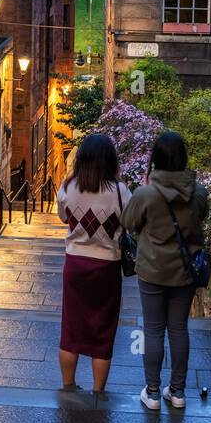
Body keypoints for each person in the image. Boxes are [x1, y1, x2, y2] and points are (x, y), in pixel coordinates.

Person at [122, 130, 208, 411]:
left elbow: (128, 221)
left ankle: (154, 392)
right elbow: (201, 217)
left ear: (155, 159)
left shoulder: (146, 194)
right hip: (185, 272)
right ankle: (179, 391)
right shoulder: (198, 194)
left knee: (154, 331)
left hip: (152, 271)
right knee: (179, 329)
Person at [57, 132, 133, 396]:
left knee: (71, 328)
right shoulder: (121, 192)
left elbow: (62, 217)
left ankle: (68, 385)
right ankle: (98, 390)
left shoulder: (67, 187)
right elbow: (129, 222)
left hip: (75, 264)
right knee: (103, 330)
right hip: (106, 268)